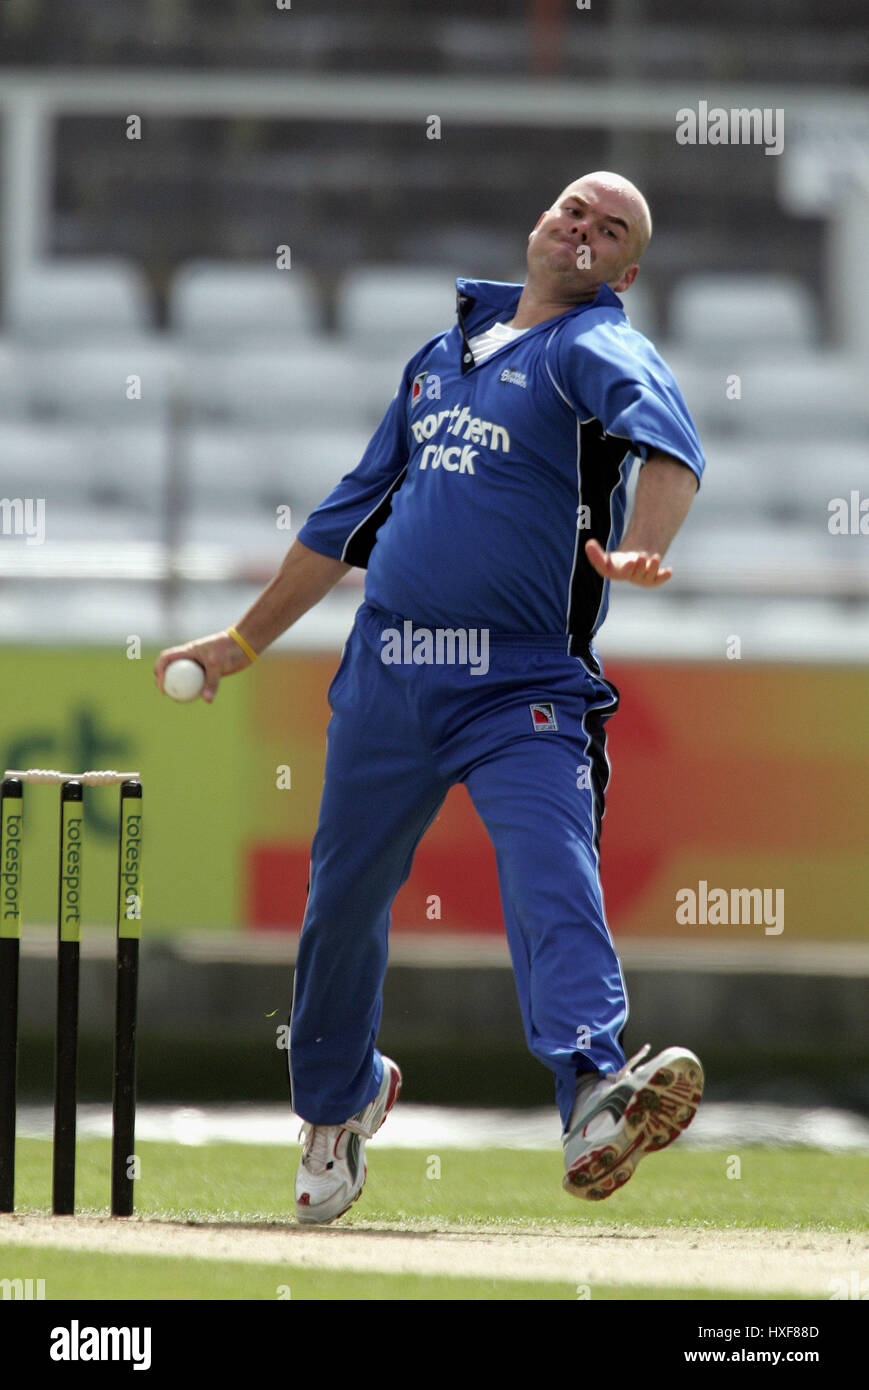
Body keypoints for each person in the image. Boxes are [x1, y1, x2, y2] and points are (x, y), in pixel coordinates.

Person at [155, 171, 706, 1225]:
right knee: (341, 903)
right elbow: (338, 523)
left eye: (609, 230)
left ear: (619, 270)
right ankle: (338, 1104)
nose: (580, 229)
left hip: (519, 684)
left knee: (549, 868)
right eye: (571, 209)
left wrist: (644, 546)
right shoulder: (438, 360)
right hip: (387, 675)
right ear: (540, 219)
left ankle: (594, 1089)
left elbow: (667, 439)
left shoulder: (588, 346)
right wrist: (237, 643)